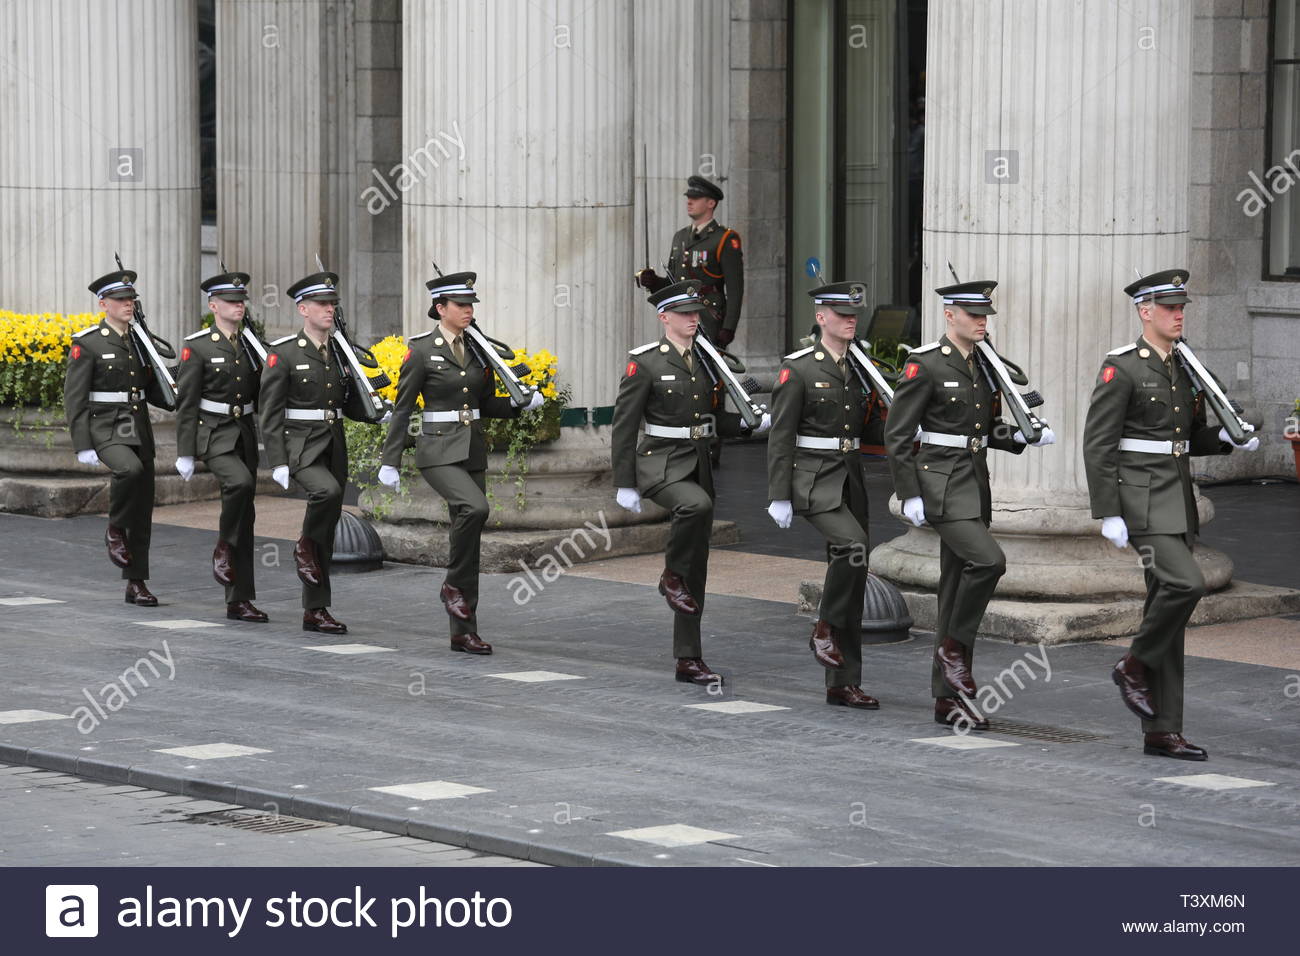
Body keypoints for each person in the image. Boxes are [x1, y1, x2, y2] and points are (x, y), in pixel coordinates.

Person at [1083, 269, 1258, 761]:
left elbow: (1190, 437)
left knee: (1169, 614)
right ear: (1145, 312)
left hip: (1177, 500)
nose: (1179, 314)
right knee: (1186, 584)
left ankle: (1163, 729)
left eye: (1182, 307)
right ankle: (1133, 664)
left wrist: (1225, 439)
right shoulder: (1124, 367)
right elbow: (1098, 443)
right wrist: (1108, 511)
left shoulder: (1187, 367)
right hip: (1141, 501)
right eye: (1169, 308)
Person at [884, 279, 1054, 730]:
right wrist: (910, 494)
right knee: (989, 562)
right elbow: (898, 435)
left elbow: (979, 429)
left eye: (985, 316)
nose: (982, 322)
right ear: (949, 315)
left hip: (973, 485)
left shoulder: (984, 364)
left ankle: (949, 697)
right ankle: (954, 648)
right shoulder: (925, 364)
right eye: (973, 314)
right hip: (940, 486)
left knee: (955, 589)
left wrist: (1016, 437)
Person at [611, 280, 769, 686]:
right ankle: (669, 576)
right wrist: (625, 482)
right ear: (665, 317)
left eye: (696, 313)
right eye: (685, 314)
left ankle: (689, 657)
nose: (693, 320)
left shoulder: (709, 361)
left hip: (697, 463)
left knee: (696, 568)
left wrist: (752, 426)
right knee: (694, 507)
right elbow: (624, 426)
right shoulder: (644, 362)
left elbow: (714, 419)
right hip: (660, 464)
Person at [377, 271, 542, 655]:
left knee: (466, 536)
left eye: (471, 305)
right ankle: (453, 586)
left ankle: (463, 629)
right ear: (440, 308)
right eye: (461, 305)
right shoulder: (420, 351)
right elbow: (402, 409)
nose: (469, 311)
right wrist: (391, 460)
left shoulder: (479, 349)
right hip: (436, 452)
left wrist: (520, 405)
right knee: (475, 508)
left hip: (471, 450)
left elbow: (485, 404)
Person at [766, 281, 881, 709]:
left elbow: (864, 427)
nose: (850, 320)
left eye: (854, 314)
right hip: (813, 480)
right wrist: (779, 494)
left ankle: (843, 681)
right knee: (853, 547)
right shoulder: (799, 369)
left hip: (849, 478)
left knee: (853, 575)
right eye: (841, 314)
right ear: (821, 318)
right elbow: (781, 436)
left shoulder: (860, 366)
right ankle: (823, 627)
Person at [259, 271, 370, 634]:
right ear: (303, 309)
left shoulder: (341, 353)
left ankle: (315, 609)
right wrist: (276, 459)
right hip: (301, 444)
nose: (329, 309)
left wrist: (375, 410)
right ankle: (303, 546)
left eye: (333, 304)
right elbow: (271, 410)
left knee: (329, 523)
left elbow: (348, 405)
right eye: (322, 304)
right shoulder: (285, 353)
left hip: (333, 442)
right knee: (327, 493)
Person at [64, 268, 171, 606]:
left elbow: (153, 390)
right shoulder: (88, 342)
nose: (128, 304)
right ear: (103, 303)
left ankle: (136, 582)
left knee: (142, 509)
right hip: (106, 426)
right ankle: (114, 530)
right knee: (129, 471)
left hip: (138, 428)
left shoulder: (140, 341)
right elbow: (74, 397)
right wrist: (82, 444)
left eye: (131, 299)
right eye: (121, 299)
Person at [174, 271, 268, 622]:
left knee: (246, 514)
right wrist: (185, 452)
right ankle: (223, 547)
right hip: (213, 434)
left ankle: (239, 599)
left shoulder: (251, 345)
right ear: (214, 305)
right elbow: (186, 403)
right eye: (231, 301)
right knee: (239, 484)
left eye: (241, 300)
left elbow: (262, 395)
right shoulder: (197, 346)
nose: (238, 305)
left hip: (243, 432)